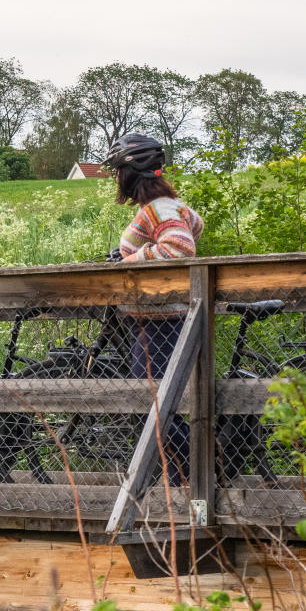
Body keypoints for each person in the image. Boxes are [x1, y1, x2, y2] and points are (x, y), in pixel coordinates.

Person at [104, 133, 204, 483]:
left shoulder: (156, 209)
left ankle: (193, 475)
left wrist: (130, 258)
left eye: (118, 172)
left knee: (155, 408)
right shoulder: (169, 205)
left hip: (159, 322)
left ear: (131, 175)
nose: (117, 179)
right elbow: (191, 226)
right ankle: (182, 479)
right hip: (162, 320)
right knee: (163, 405)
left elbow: (179, 247)